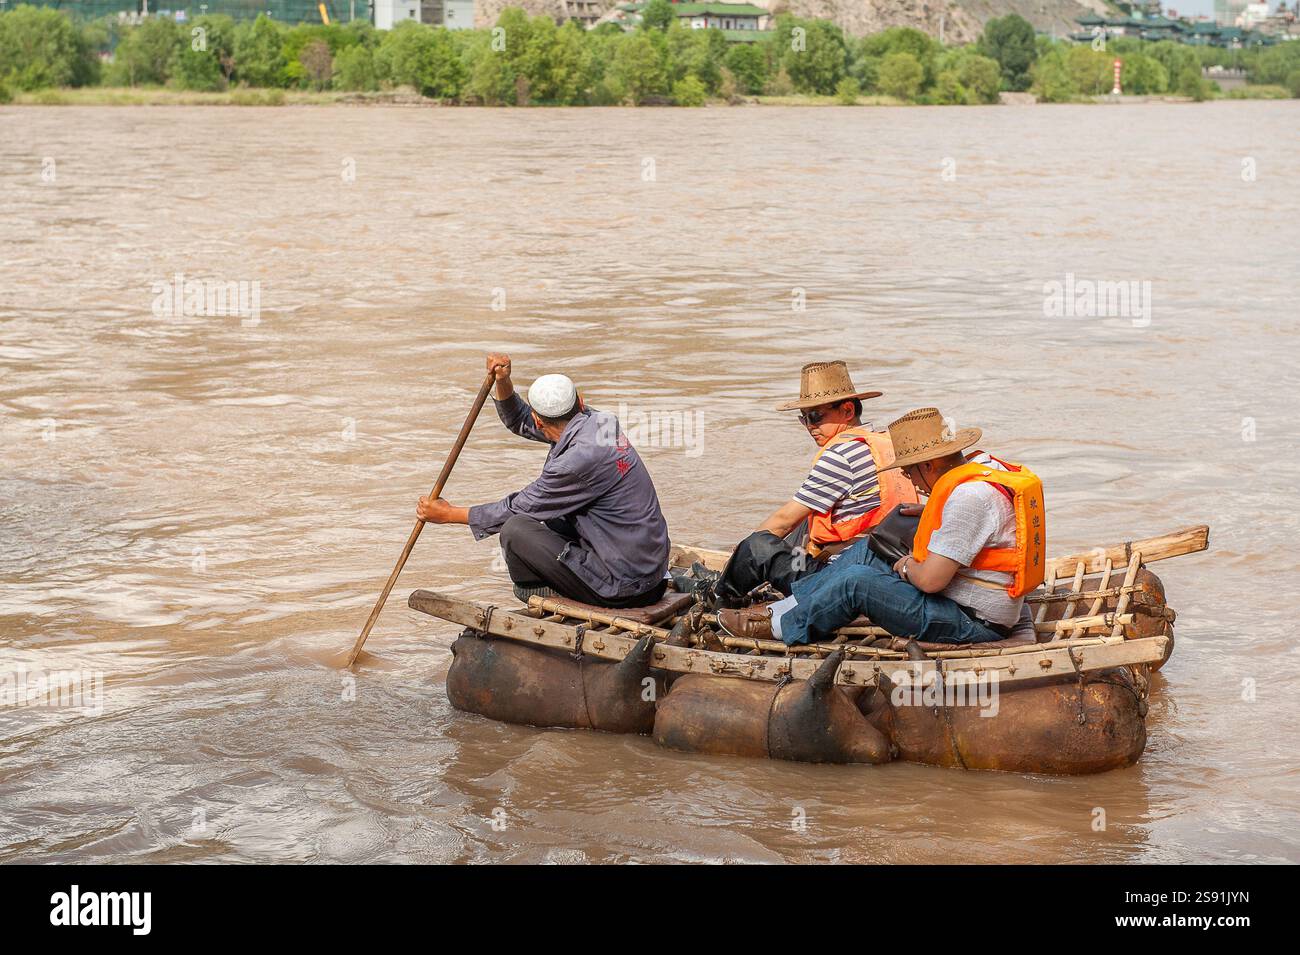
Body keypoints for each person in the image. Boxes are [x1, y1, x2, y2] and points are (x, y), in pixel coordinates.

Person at [717, 407, 1045, 645]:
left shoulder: (969, 498)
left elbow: (930, 581)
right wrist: (931, 511)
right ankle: (789, 606)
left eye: (909, 472)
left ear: (929, 465)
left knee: (858, 582)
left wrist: (905, 567)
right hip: (972, 601)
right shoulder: (981, 469)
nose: (907, 478)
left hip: (974, 620)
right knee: (871, 546)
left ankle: (785, 625)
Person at [416, 354, 671, 608]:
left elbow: (517, 508)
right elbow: (520, 420)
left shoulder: (578, 461)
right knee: (550, 517)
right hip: (650, 569)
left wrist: (448, 514)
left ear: (541, 420)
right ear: (580, 402)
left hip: (628, 586)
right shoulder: (597, 422)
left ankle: (548, 593)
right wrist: (503, 382)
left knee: (516, 530)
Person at [708, 361, 916, 605]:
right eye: (804, 418)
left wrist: (742, 554)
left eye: (816, 417)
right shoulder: (885, 442)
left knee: (758, 545)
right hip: (882, 563)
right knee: (804, 523)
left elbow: (782, 521)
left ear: (848, 411)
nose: (810, 427)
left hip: (838, 578)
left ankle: (719, 596)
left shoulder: (840, 455)